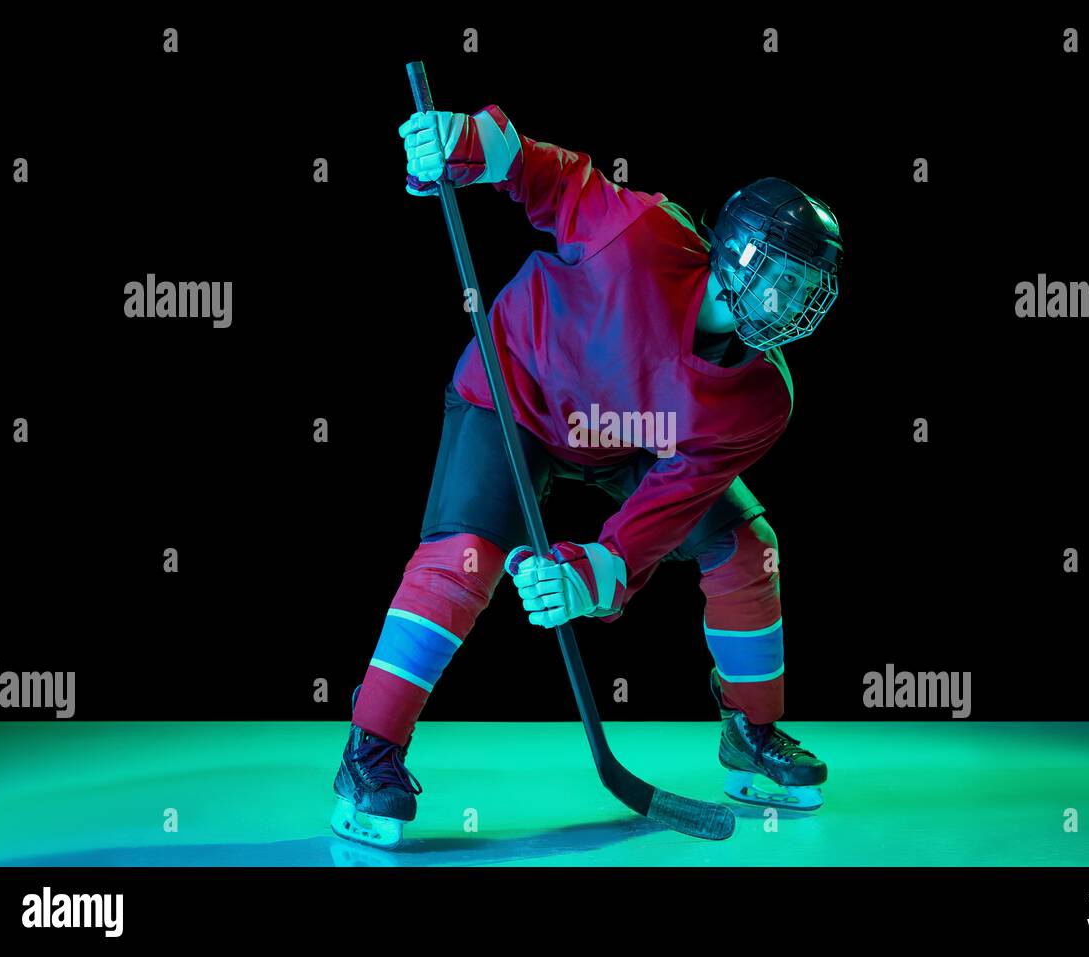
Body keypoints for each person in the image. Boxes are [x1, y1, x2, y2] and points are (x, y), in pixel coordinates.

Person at [331, 104, 844, 849]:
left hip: (631, 437)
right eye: (786, 280)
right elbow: (550, 176)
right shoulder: (644, 234)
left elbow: (674, 496)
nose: (796, 304)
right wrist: (464, 145)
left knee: (746, 549)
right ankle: (368, 752)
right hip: (518, 389)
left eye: (809, 290)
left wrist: (595, 568)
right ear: (738, 254)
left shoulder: (763, 398)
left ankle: (750, 732)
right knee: (463, 561)